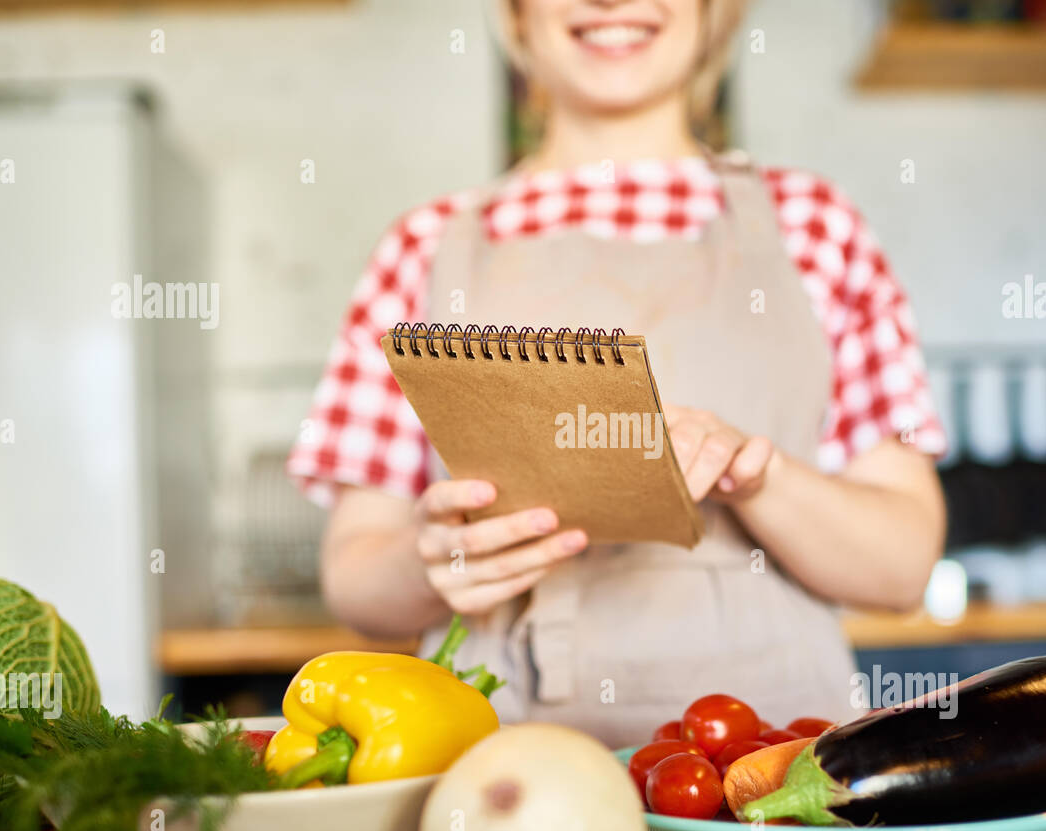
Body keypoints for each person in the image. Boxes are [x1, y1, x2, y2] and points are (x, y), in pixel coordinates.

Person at [288, 0, 947, 746]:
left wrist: (759, 475)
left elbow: (902, 567)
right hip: (501, 763)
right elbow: (353, 575)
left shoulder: (817, 228)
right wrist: (426, 562)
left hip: (775, 767)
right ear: (516, 13)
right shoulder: (424, 247)